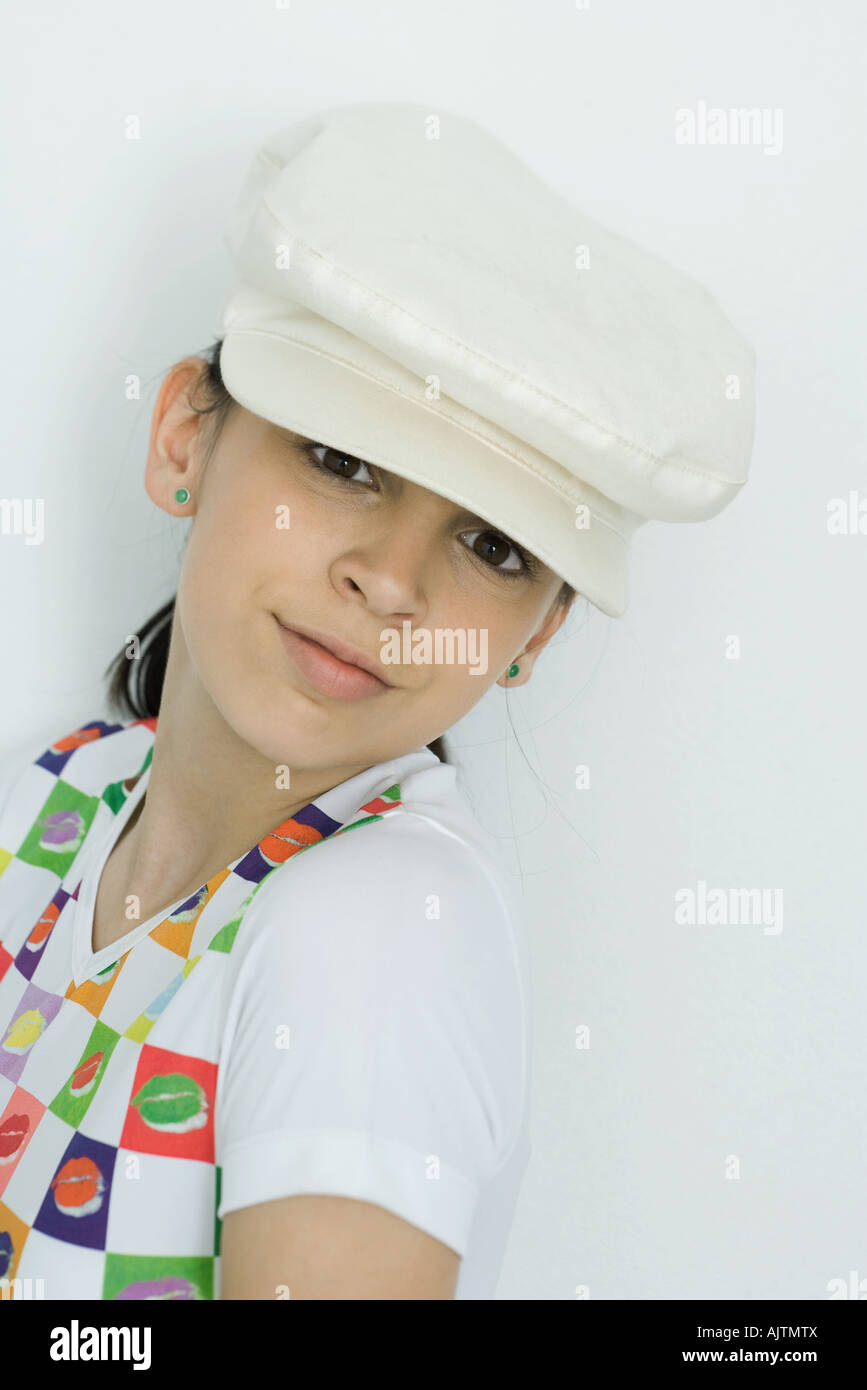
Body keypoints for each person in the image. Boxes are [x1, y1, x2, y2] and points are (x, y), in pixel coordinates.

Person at [0, 102, 755, 1301]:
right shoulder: (51, 795)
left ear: (537, 633)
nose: (393, 583)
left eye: (492, 544)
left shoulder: (381, 926)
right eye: (343, 462)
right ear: (187, 434)